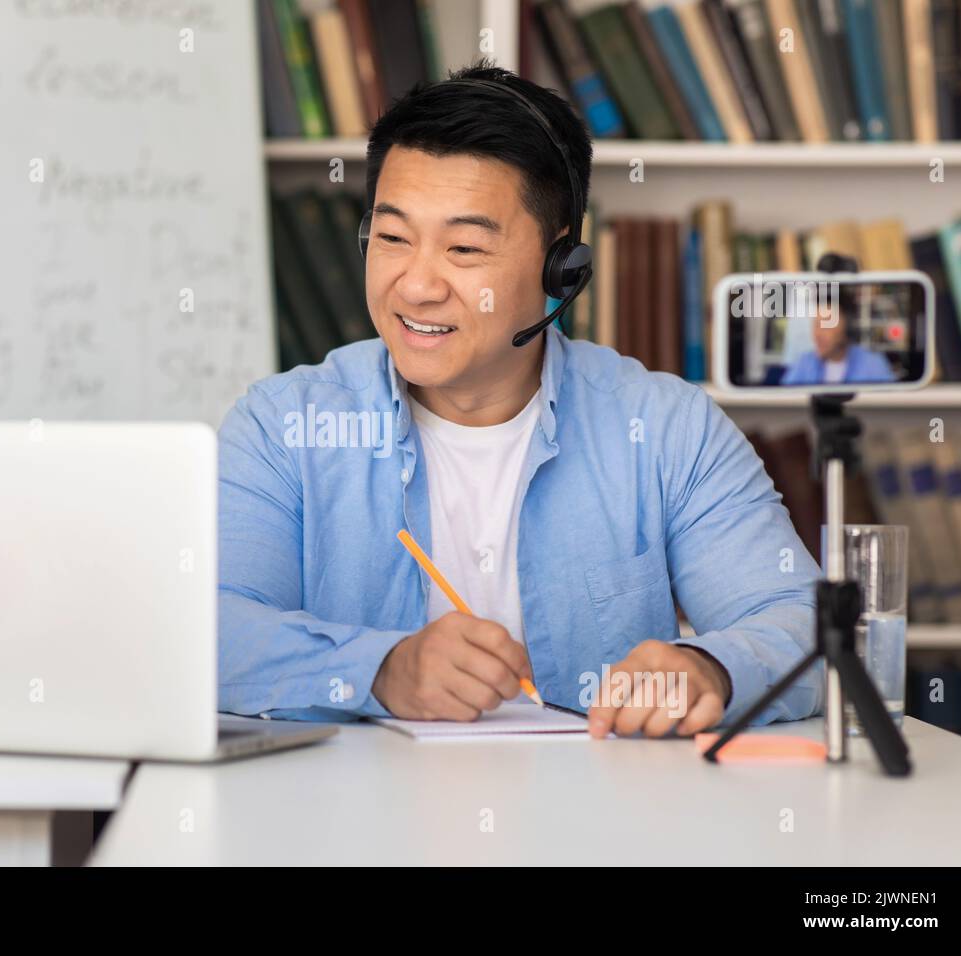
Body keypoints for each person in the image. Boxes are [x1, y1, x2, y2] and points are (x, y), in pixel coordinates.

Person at [217, 64, 821, 739]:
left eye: (464, 248)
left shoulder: (666, 428)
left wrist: (711, 669)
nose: (415, 286)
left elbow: (802, 619)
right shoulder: (283, 427)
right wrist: (381, 668)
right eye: (391, 238)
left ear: (562, 269)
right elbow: (209, 627)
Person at [780, 303, 896, 385]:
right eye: (816, 325)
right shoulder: (804, 363)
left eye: (826, 325)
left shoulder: (873, 365)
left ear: (847, 329)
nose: (817, 334)